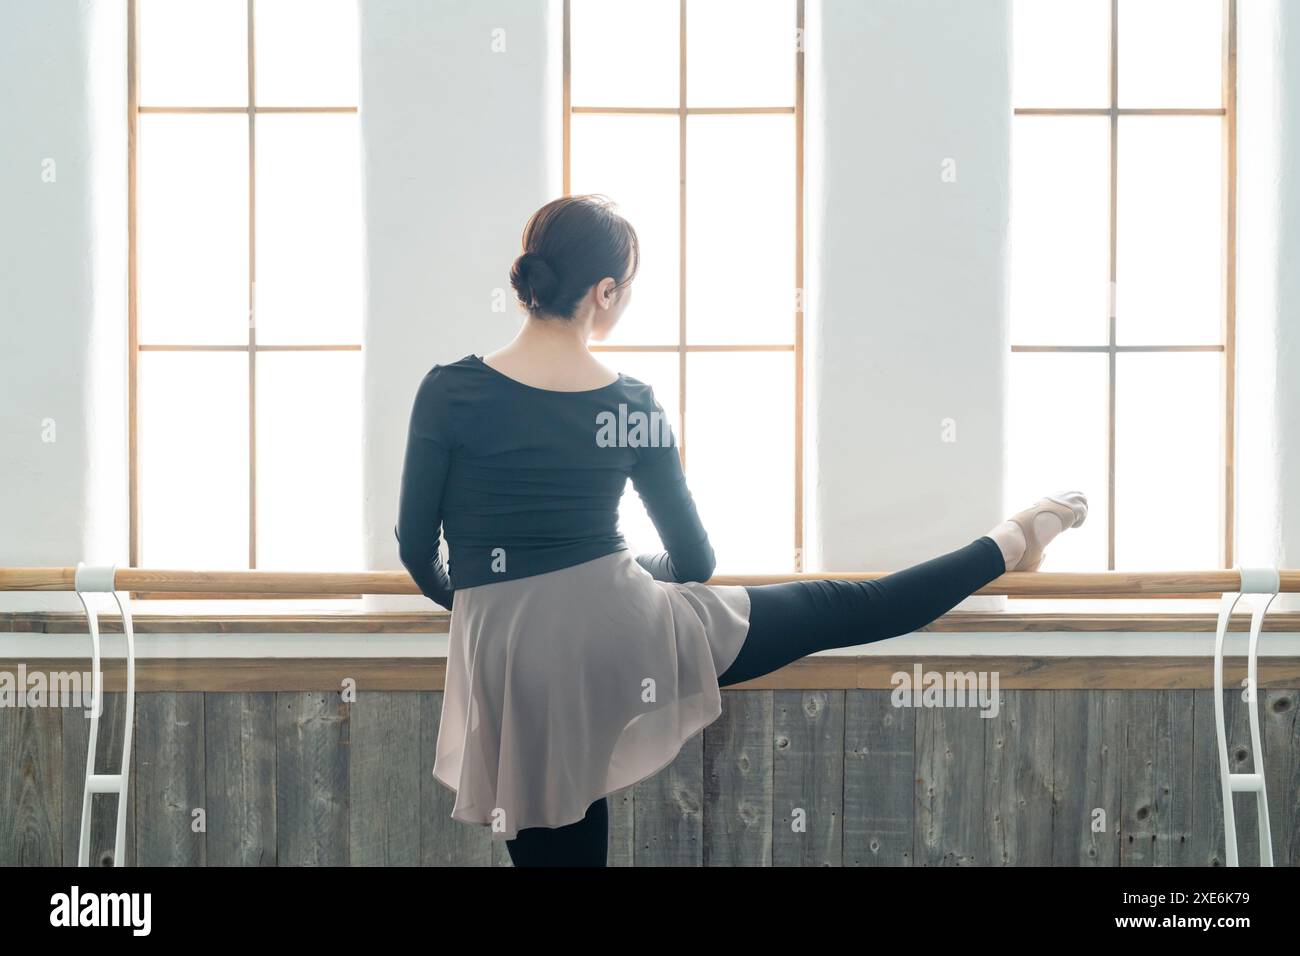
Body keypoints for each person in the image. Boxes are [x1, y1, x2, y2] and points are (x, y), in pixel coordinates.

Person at [395, 194, 1087, 867]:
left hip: (507, 653)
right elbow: (695, 561)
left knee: (559, 836)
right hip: (617, 632)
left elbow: (416, 548)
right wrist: (635, 569)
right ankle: (1012, 541)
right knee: (841, 607)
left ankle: (1015, 542)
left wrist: (492, 604)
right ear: (604, 292)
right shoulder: (629, 402)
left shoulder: (447, 390)